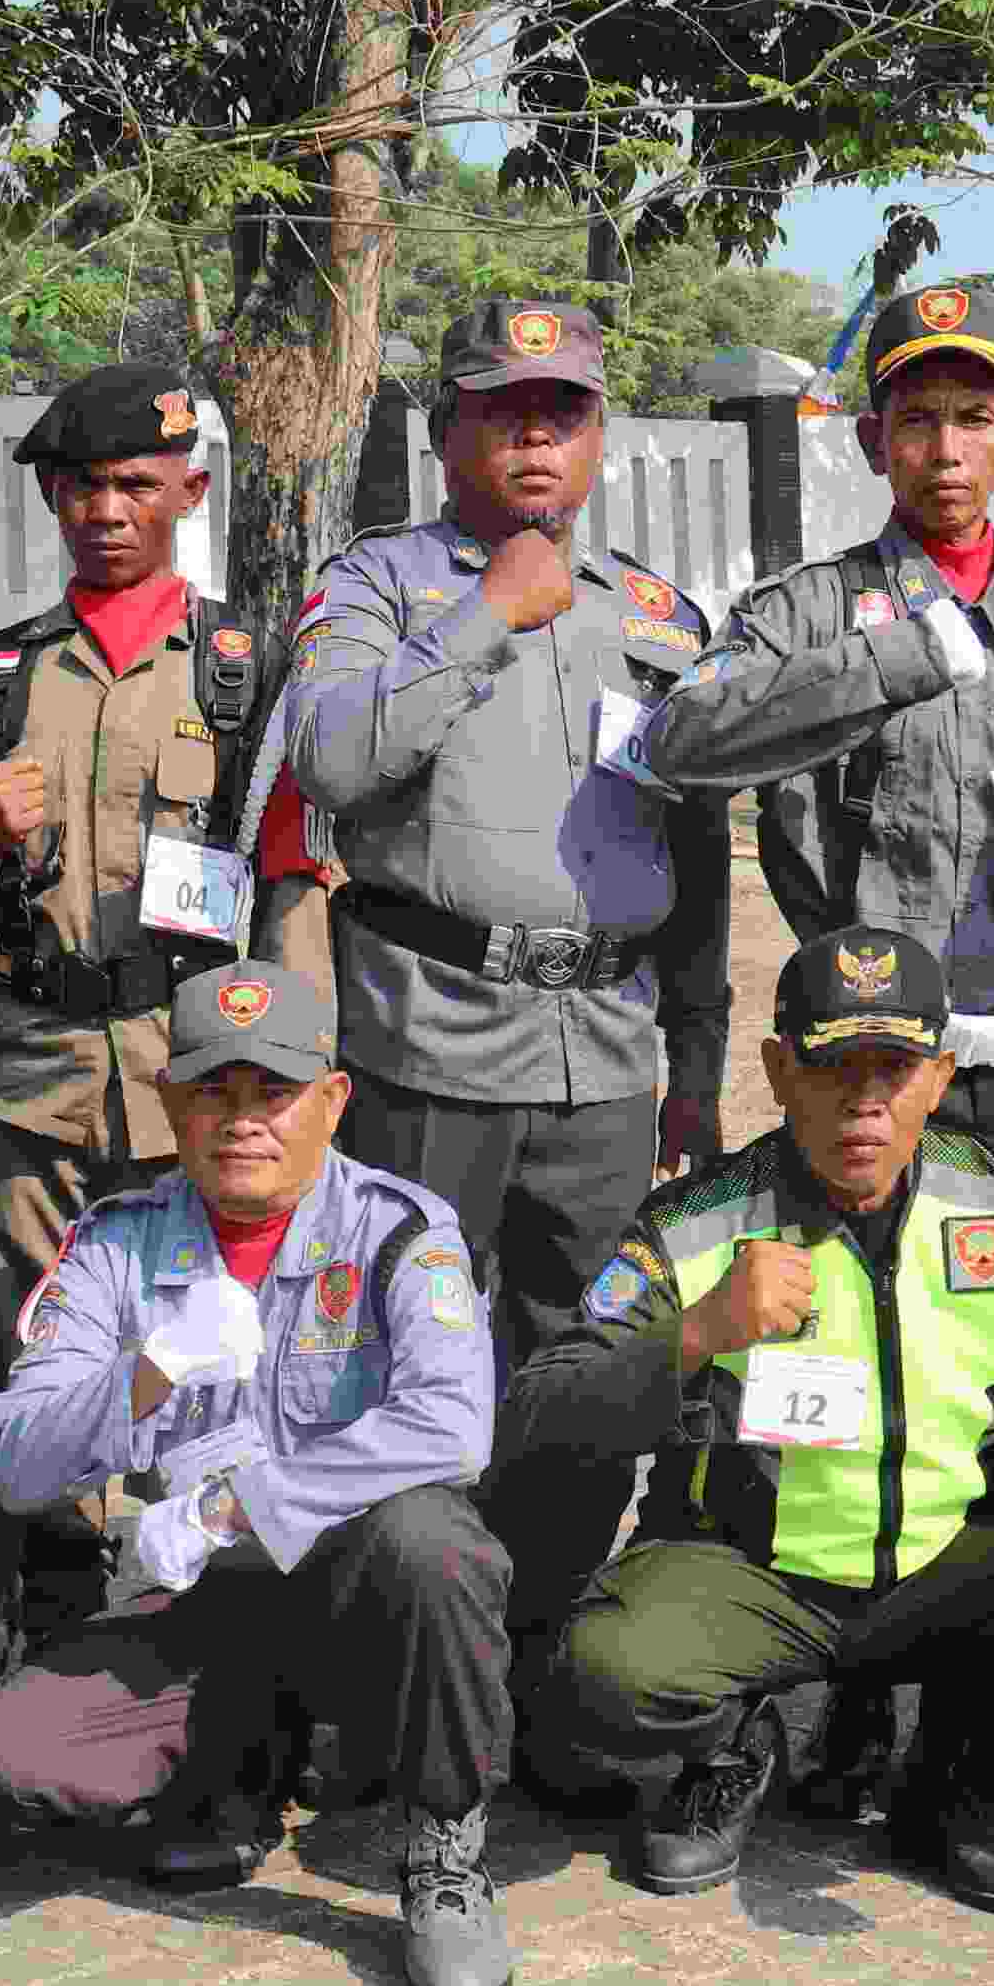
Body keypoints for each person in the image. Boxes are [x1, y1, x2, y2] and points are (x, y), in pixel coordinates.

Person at [505, 924, 994, 1919]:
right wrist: (696, 1332)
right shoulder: (693, 1223)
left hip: (948, 1566)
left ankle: (958, 1779)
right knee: (599, 1671)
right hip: (752, 1574)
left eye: (895, 1069)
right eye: (832, 1068)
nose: (864, 1101)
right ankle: (727, 1748)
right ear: (779, 1071)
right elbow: (541, 1406)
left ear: (939, 1072)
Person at [271, 297, 735, 1659]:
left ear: (598, 434)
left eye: (565, 410)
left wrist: (693, 1070)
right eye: (503, 407)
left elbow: (698, 862)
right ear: (445, 428)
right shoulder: (377, 586)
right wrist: (483, 615)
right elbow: (334, 765)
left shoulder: (656, 617)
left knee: (582, 1365)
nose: (536, 433)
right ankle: (383, 1643)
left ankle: (528, 1641)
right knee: (396, 1353)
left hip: (602, 1052)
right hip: (430, 1040)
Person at [0, 961, 518, 1986]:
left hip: (356, 1597)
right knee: (13, 1760)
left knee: (434, 1544)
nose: (242, 1122)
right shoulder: (113, 1245)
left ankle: (443, 1844)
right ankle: (244, 1762)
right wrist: (147, 1371)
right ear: (168, 1098)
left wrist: (238, 1504)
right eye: (212, 1092)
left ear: (331, 1099)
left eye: (273, 1092)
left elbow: (452, 1427)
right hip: (203, 1608)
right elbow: (16, 1459)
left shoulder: (399, 1232)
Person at [0, 363, 302, 1637]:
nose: (108, 510)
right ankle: (56, 1609)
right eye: (82, 487)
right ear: (51, 501)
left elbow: (293, 880)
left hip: (198, 1064)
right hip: (33, 1066)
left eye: (137, 484)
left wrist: (294, 1069)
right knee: (35, 1346)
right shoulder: (1, 678)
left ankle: (202, 1611)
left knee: (212, 1345)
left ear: (188, 490)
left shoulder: (246, 671)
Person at [640, 280, 994, 1210]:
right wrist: (888, 664)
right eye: (918, 420)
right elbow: (680, 741)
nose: (948, 450)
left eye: (975, 418)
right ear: (873, 442)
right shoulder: (808, 611)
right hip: (864, 1071)